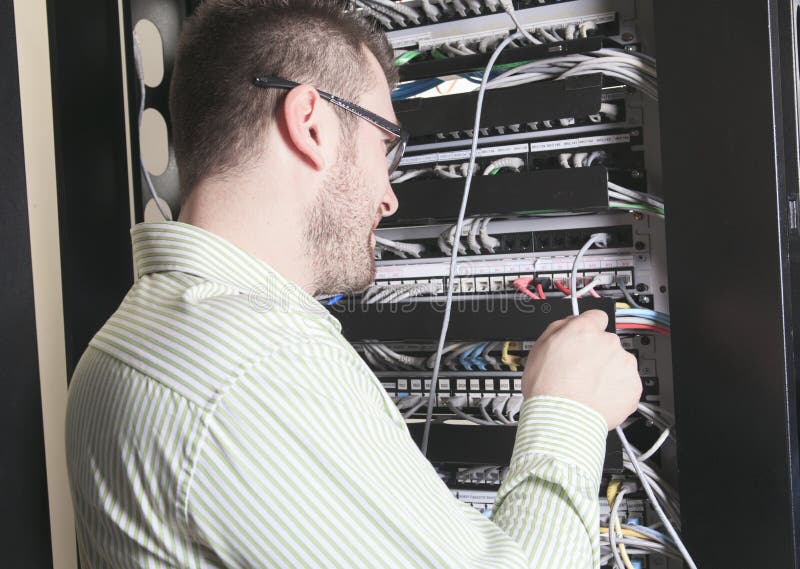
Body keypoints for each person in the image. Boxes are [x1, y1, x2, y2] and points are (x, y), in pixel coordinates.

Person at [65, 0, 642, 567]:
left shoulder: (119, 344)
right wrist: (569, 408)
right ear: (311, 124)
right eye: (385, 144)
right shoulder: (258, 370)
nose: (390, 197)